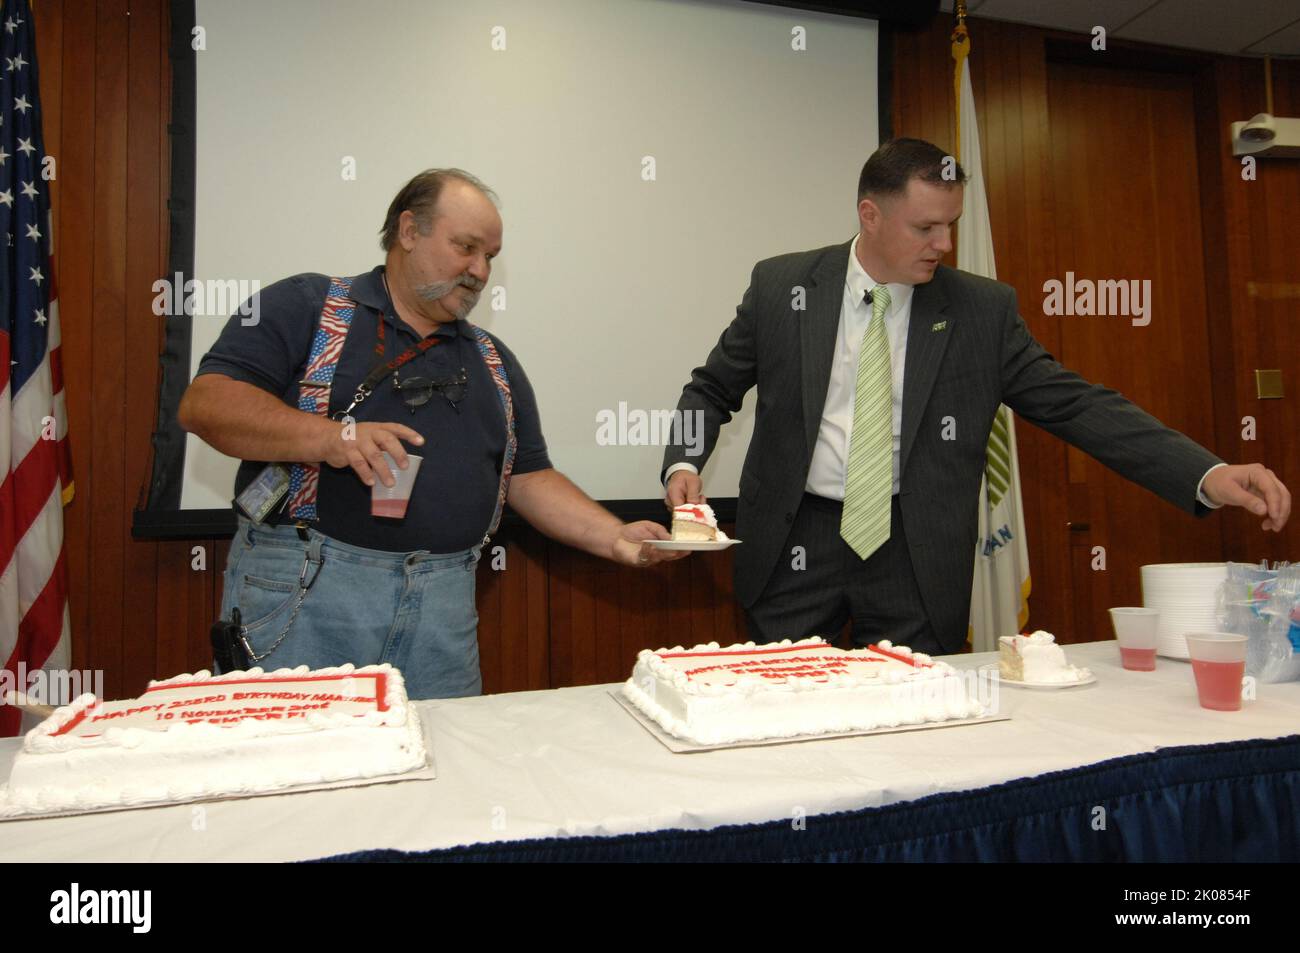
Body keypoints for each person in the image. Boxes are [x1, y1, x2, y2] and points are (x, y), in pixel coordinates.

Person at [661, 138, 1290, 656]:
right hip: (796, 543)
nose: (944, 244)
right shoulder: (784, 286)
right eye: (926, 227)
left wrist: (1207, 473)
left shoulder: (980, 311)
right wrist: (685, 462)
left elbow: (1078, 405)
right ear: (870, 215)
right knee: (785, 721)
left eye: (952, 226)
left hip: (914, 550)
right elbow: (713, 388)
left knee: (915, 735)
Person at [180, 168, 684, 698]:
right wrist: (331, 438)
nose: (480, 270)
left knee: (442, 772)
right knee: (297, 769)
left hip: (445, 604)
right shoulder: (306, 306)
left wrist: (614, 536)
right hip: (308, 596)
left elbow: (528, 477)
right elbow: (206, 405)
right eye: (466, 247)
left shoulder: (494, 360)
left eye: (490, 256)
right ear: (408, 231)